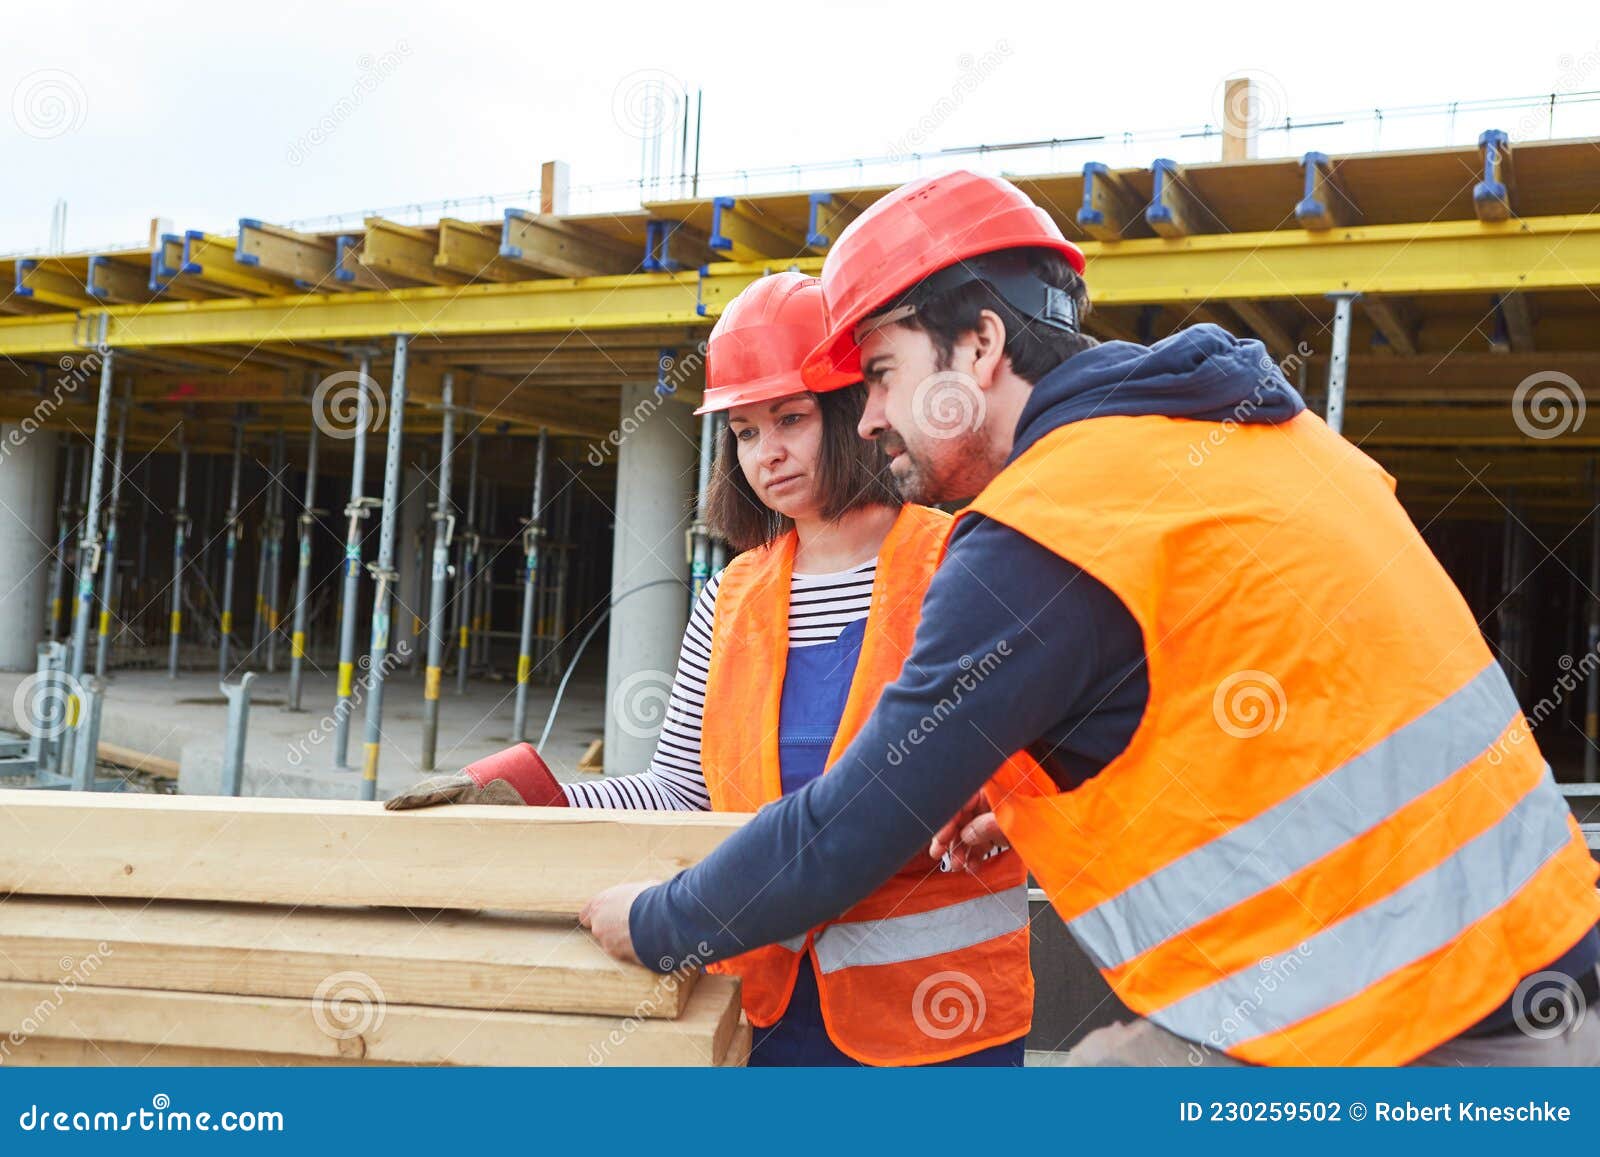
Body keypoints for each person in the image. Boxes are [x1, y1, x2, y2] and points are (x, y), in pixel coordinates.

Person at [581, 170, 1600, 1067]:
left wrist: (663, 919)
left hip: (1384, 1031)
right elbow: (1269, 706)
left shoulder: (1040, 529)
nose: (874, 413)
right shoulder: (1253, 435)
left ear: (979, 344)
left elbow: (849, 827)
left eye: (883, 373)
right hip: (1550, 969)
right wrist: (1022, 785)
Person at [388, 271, 1035, 1067]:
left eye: (790, 418)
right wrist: (540, 797)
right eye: (745, 431)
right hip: (768, 1002)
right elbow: (680, 790)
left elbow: (1046, 759)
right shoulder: (732, 596)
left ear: (851, 410)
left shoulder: (958, 559)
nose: (769, 453)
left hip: (939, 1017)